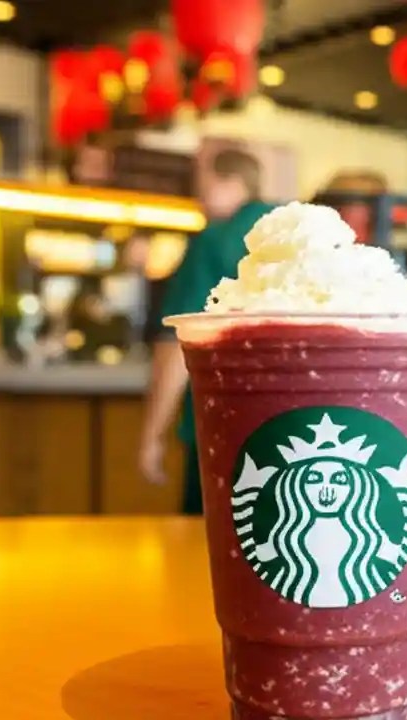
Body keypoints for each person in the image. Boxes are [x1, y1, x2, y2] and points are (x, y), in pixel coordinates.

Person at [139, 149, 273, 513]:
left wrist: (152, 435)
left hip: (220, 425)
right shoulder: (283, 234)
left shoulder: (215, 240)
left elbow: (178, 342)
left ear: (232, 183)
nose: (198, 197)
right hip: (288, 428)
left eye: (204, 186)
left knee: (205, 547)